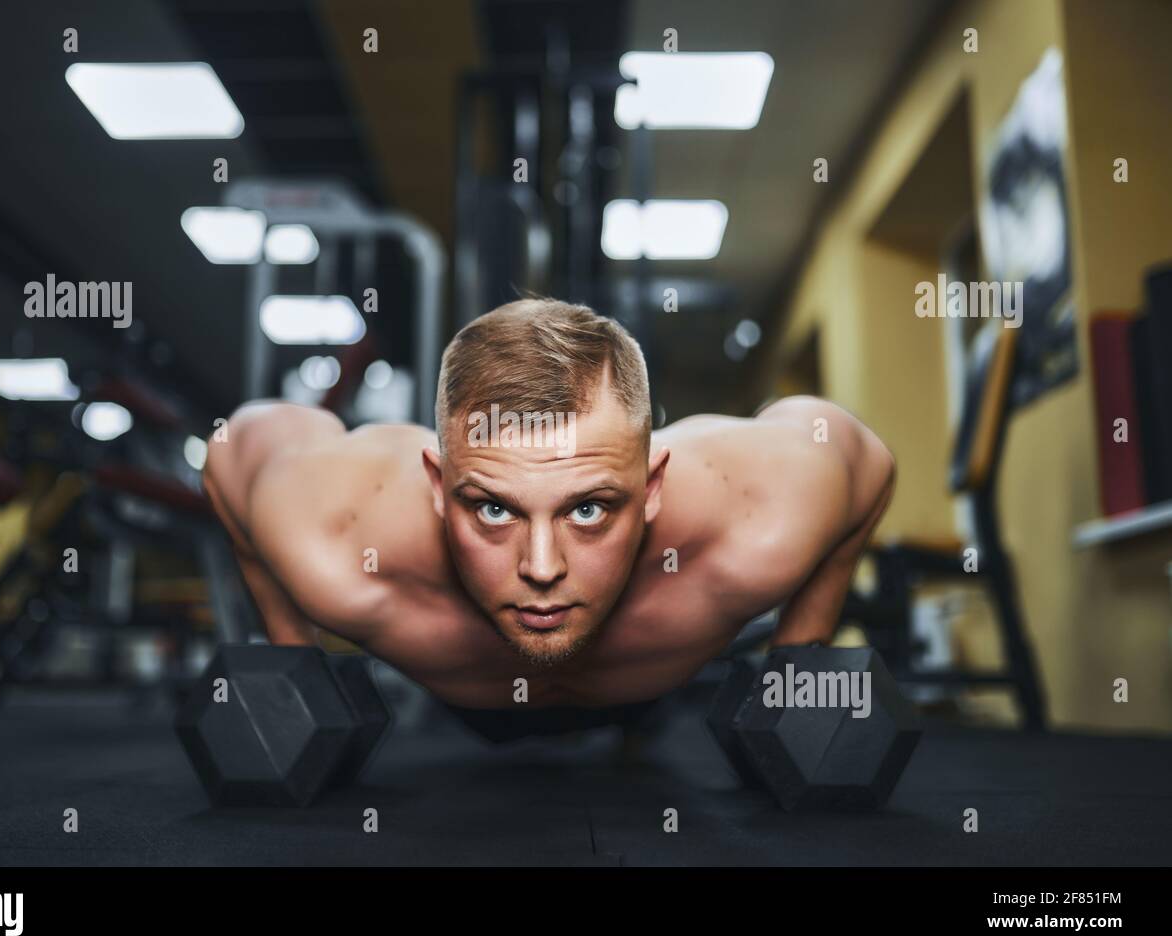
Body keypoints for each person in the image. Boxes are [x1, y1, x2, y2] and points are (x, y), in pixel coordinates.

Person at [202, 298, 895, 739]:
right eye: (493, 509)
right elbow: (236, 449)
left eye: (589, 508)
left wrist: (798, 656)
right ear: (439, 489)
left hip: (648, 696)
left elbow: (864, 461)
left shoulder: (756, 524)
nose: (541, 569)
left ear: (653, 484)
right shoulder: (336, 541)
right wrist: (290, 659)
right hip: (471, 708)